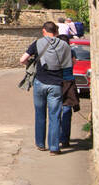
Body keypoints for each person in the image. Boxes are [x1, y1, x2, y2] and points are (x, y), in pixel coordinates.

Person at [19, 22, 73, 155]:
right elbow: (69, 65)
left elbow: (23, 59)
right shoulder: (65, 45)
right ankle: (54, 147)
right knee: (55, 116)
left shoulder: (37, 43)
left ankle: (40, 144)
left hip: (40, 82)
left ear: (44, 31)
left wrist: (32, 64)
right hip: (56, 84)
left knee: (40, 114)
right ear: (56, 31)